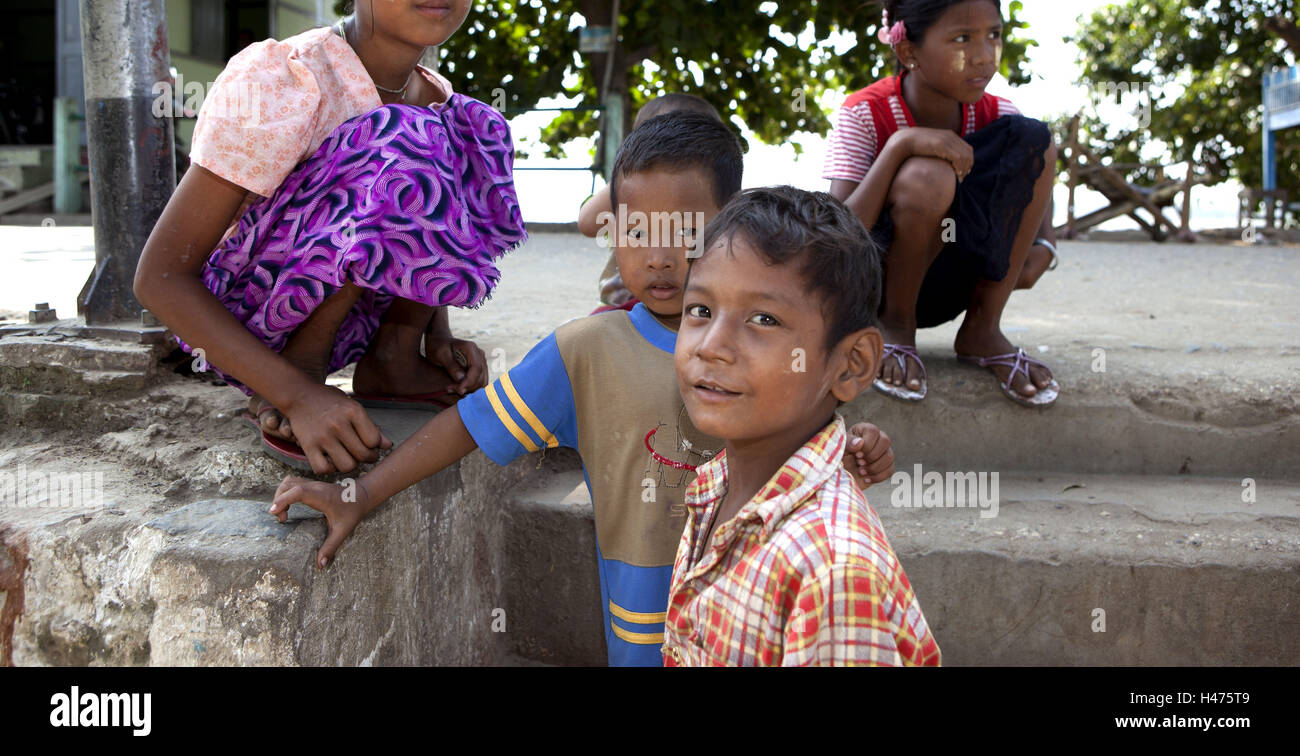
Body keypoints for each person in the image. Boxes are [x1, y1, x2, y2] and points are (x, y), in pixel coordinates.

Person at [270, 113, 897, 666]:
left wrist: (852, 443)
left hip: (765, 623)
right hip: (645, 632)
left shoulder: (769, 357)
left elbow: (806, 446)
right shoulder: (588, 352)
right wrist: (362, 492)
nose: (658, 258)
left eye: (685, 233)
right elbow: (471, 423)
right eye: (636, 231)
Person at [135, 0, 525, 474]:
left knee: (470, 128)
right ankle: (298, 373)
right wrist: (300, 394)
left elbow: (410, 213)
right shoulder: (287, 78)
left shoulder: (442, 105)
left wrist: (436, 330)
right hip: (250, 316)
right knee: (407, 135)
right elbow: (159, 276)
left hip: (355, 314)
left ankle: (392, 359)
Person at [662, 186, 941, 666]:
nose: (711, 345)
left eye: (764, 319)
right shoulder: (721, 482)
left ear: (852, 365)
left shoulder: (833, 573)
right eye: (701, 310)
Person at [824, 0, 1059, 407]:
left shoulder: (1000, 118)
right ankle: (896, 327)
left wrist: (1044, 250)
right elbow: (835, 236)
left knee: (1038, 139)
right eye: (962, 39)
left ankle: (982, 330)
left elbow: (1035, 208)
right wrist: (901, 147)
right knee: (927, 172)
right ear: (909, 52)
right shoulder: (864, 113)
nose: (985, 55)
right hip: (874, 283)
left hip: (959, 277)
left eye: (994, 35)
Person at [578, 93, 725, 309]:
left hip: (690, 300)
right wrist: (626, 177)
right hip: (621, 303)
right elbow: (588, 223)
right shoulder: (629, 183)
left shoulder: (711, 188)